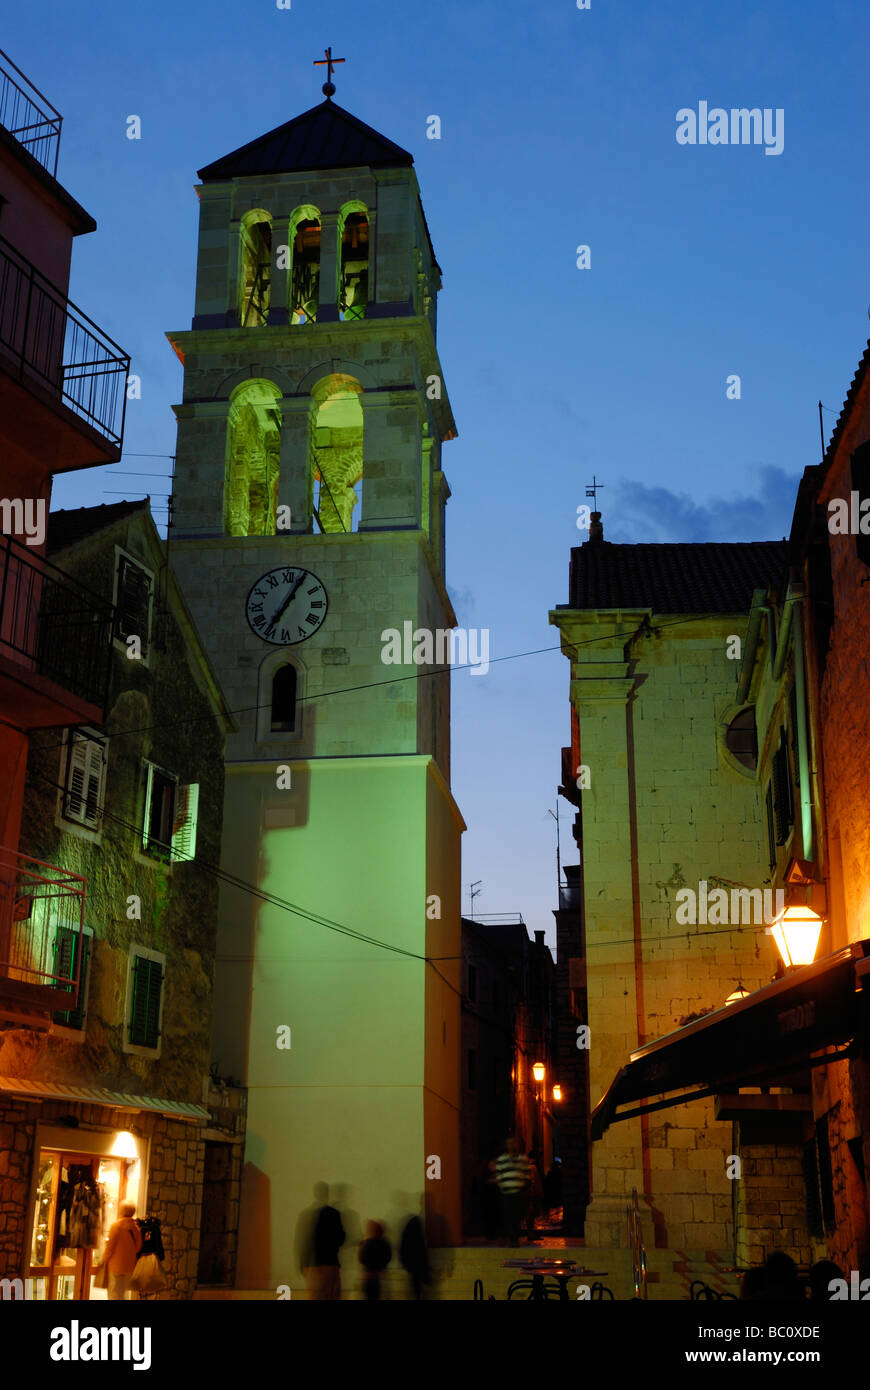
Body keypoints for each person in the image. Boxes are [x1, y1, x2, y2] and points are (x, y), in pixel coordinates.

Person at [300, 1184, 345, 1300]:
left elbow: (303, 1242)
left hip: (312, 1266)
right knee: (331, 1295)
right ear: (327, 1195)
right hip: (330, 1263)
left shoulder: (306, 1215)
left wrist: (303, 1265)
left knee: (315, 1296)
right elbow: (340, 1238)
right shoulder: (334, 1213)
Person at [101, 1200, 142, 1301]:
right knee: (122, 1293)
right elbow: (138, 1247)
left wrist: (104, 1259)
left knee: (114, 1294)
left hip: (115, 1266)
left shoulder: (116, 1227)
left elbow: (110, 1247)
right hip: (129, 1267)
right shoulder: (136, 1228)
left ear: (122, 1211)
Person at [493, 1137, 530, 1245]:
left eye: (514, 1143)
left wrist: (523, 1186)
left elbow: (527, 1175)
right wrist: (502, 1185)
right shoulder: (501, 1160)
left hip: (518, 1192)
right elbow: (499, 1175)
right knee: (508, 1216)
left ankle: (514, 1238)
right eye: (509, 1143)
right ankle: (511, 1237)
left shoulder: (523, 1159)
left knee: (517, 1216)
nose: (512, 1146)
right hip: (506, 1192)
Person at [399, 1210, 430, 1299]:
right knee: (417, 1290)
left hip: (412, 1268)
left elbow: (403, 1249)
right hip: (418, 1267)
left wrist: (406, 1264)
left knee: (414, 1289)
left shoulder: (409, 1236)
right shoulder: (418, 1238)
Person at [358, 1221, 392, 1300]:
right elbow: (388, 1258)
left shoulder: (367, 1243)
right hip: (381, 1275)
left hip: (369, 1276)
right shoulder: (385, 1243)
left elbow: (362, 1259)